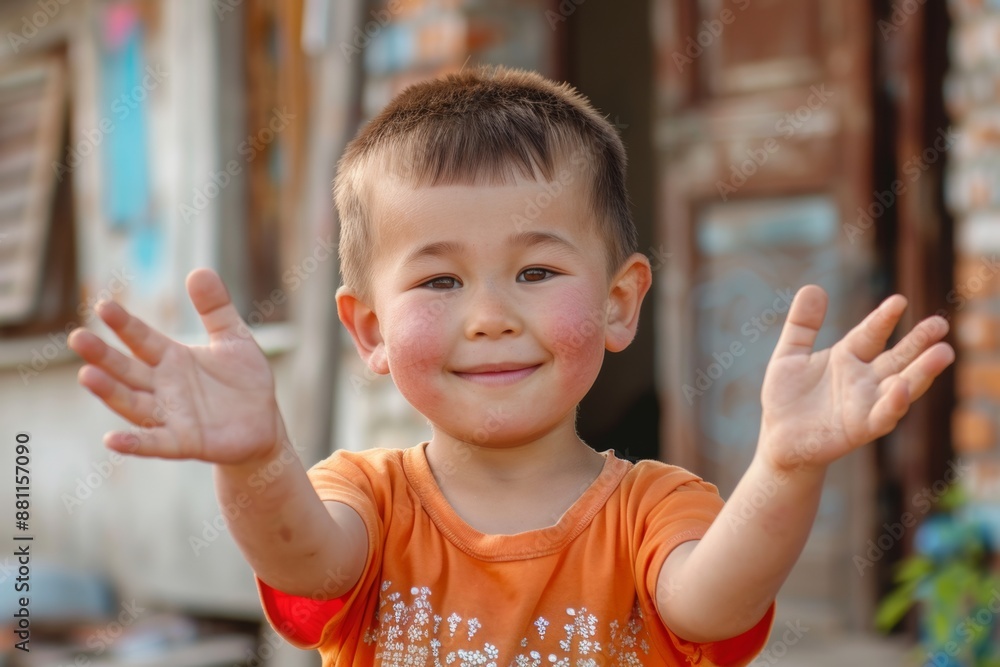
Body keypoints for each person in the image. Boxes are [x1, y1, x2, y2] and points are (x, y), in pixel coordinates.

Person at [67, 66, 955, 666]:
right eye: (440, 279)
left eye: (535, 272)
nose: (490, 317)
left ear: (618, 302)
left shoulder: (656, 508)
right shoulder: (366, 498)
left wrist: (787, 464)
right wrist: (256, 460)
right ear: (369, 329)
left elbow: (711, 607)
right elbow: (307, 565)